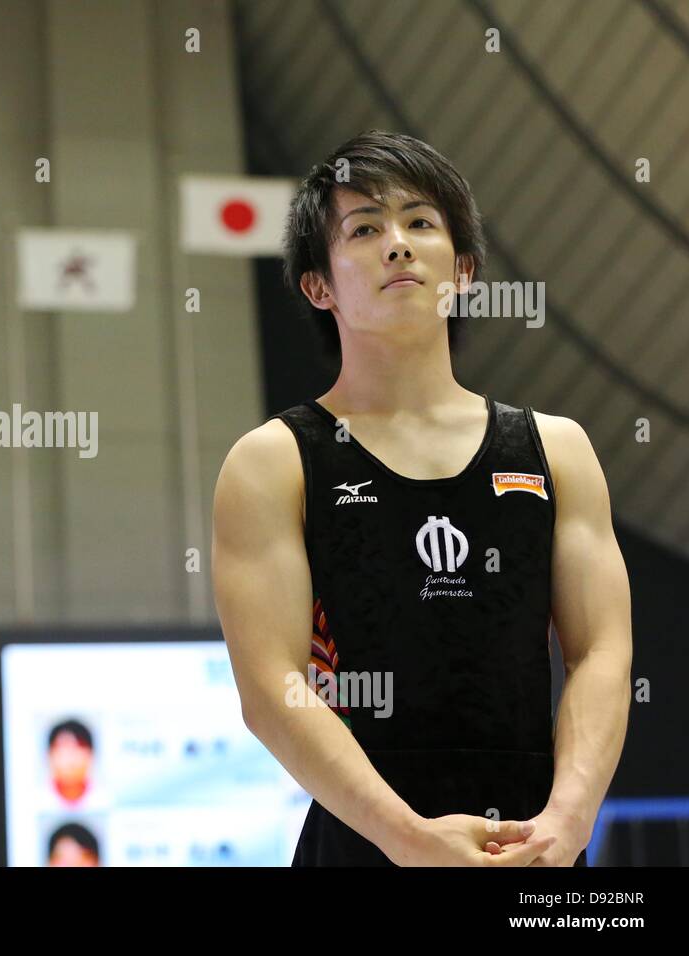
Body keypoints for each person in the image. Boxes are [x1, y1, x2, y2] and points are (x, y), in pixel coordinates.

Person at [211, 131, 632, 866]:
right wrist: (409, 839)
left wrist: (570, 818)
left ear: (463, 269)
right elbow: (272, 688)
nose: (397, 245)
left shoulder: (554, 450)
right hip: (362, 842)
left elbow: (600, 652)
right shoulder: (273, 462)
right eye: (365, 228)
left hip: (531, 848)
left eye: (421, 222)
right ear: (318, 285)